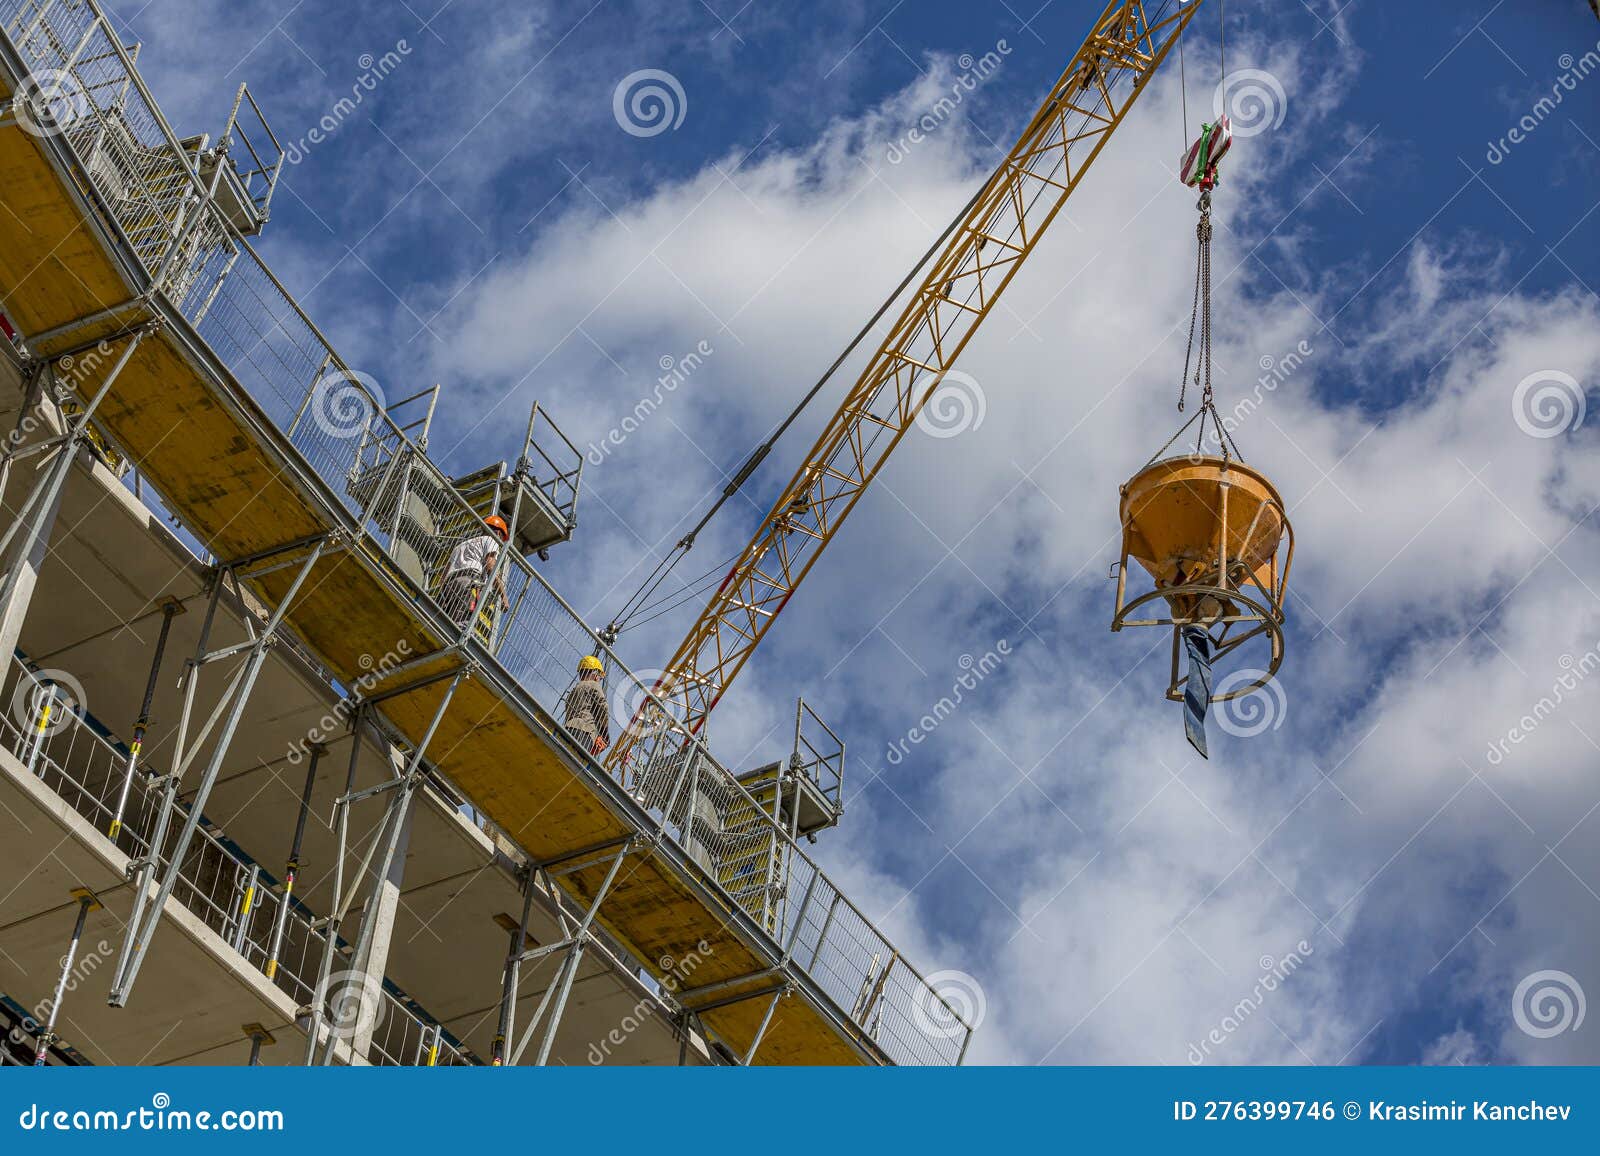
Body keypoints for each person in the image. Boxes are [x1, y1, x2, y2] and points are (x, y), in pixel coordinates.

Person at [439, 515, 511, 630]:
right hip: (468, 582)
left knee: (448, 621)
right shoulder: (491, 540)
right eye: (501, 538)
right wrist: (503, 596)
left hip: (449, 585)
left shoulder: (460, 545)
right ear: (497, 533)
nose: (500, 542)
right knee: (464, 623)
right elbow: (491, 567)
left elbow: (443, 576)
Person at [564, 654, 609, 755]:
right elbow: (603, 707)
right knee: (576, 763)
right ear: (594, 673)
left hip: (568, 728)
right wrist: (604, 731)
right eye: (599, 677)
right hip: (584, 732)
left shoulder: (573, 691)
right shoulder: (593, 685)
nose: (598, 680)